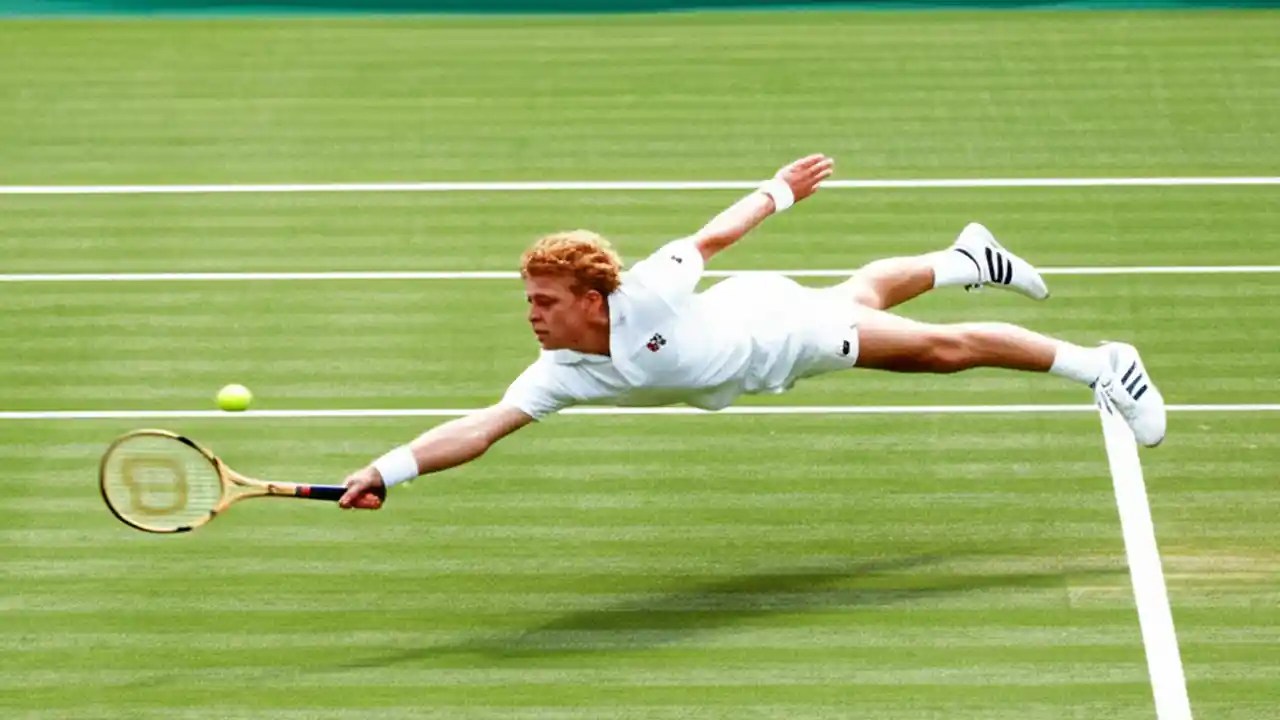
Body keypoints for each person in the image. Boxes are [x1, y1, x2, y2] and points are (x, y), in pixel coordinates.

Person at [338, 154, 1165, 510]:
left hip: (783, 332)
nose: (531, 313)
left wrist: (781, 188)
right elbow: (481, 427)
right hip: (753, 334)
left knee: (942, 351)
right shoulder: (561, 370)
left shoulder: (649, 292)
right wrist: (386, 468)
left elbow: (713, 237)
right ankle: (963, 255)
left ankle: (1101, 364)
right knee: (867, 290)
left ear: (594, 297)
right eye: (529, 299)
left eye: (546, 300)